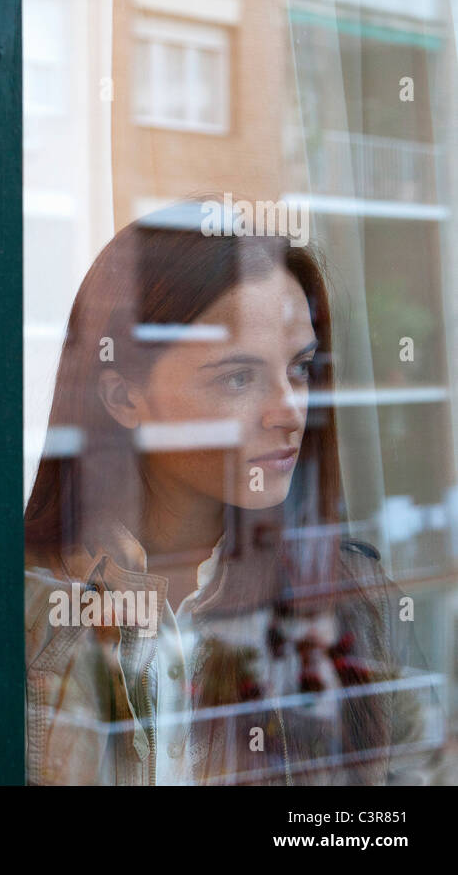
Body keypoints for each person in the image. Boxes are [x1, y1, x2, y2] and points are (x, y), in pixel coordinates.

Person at [24, 199, 437, 785]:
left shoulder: (355, 597)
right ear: (122, 398)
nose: (291, 412)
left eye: (300, 368)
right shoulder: (14, 606)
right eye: (238, 377)